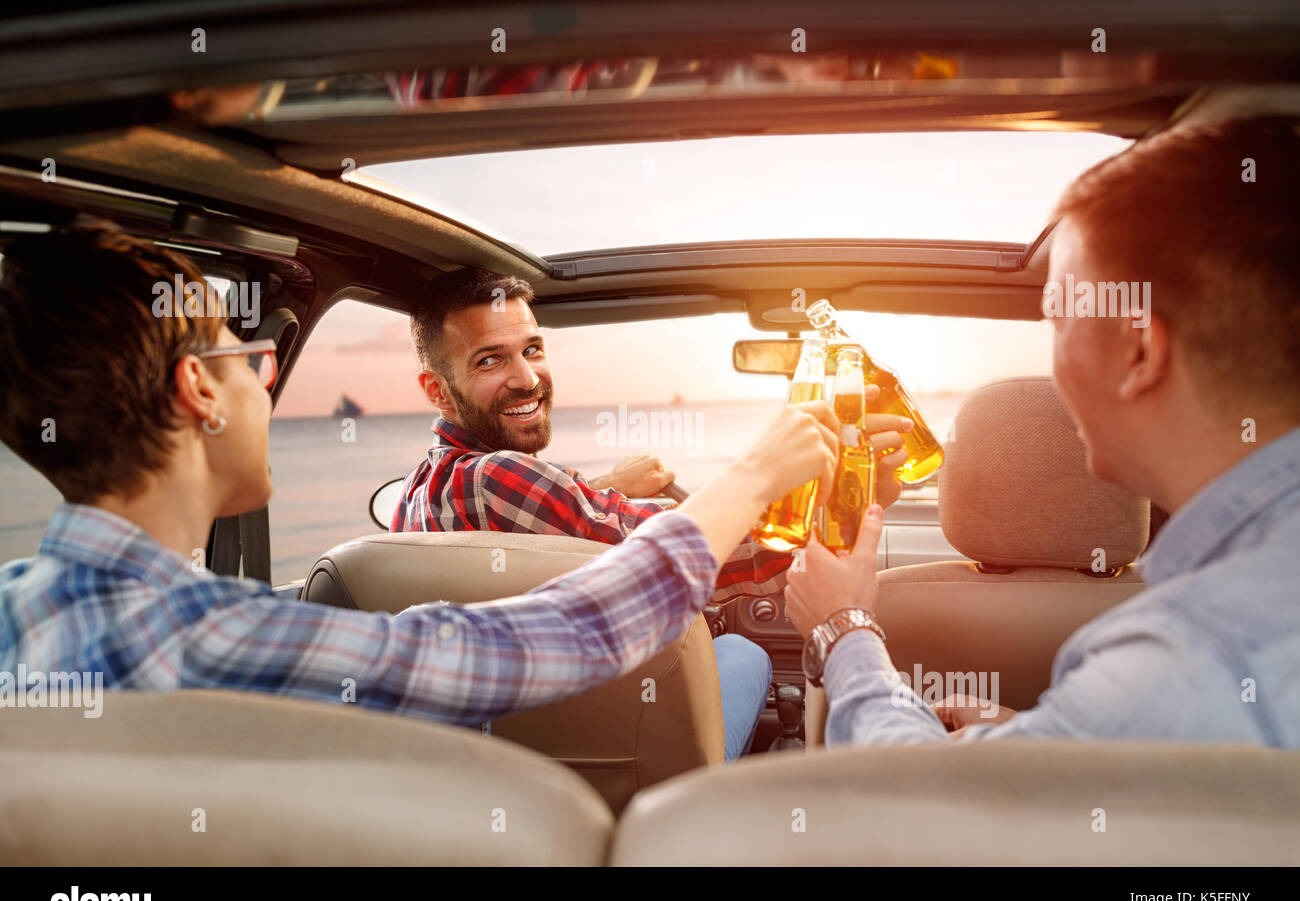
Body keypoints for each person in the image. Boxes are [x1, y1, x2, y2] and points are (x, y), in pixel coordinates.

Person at [0, 222, 841, 731]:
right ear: (197, 391)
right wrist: (759, 473)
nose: (266, 383)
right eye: (250, 357)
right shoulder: (220, 639)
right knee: (738, 657)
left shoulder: (14, 608)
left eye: (533, 349)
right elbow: (562, 638)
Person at [785, 115, 1300, 748]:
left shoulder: (1194, 650)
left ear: (1139, 351)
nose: (1050, 360)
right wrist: (1024, 734)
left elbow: (936, 807)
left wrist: (843, 626)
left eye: (1057, 319)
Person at [390, 267, 913, 758]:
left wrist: (603, 486)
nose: (527, 378)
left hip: (506, 759)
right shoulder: (494, 478)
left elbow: (558, 523)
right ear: (438, 391)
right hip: (603, 758)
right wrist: (847, 498)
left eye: (532, 349)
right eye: (490, 360)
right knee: (742, 653)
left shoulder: (416, 493)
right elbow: (686, 560)